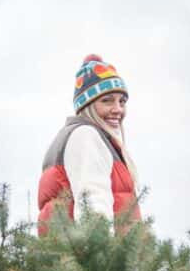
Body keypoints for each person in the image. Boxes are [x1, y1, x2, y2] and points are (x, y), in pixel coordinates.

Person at [37, 55, 142, 237]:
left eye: (122, 101)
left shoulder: (91, 138)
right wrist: (100, 258)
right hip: (99, 261)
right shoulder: (85, 136)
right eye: (107, 100)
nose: (118, 109)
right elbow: (93, 202)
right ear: (88, 105)